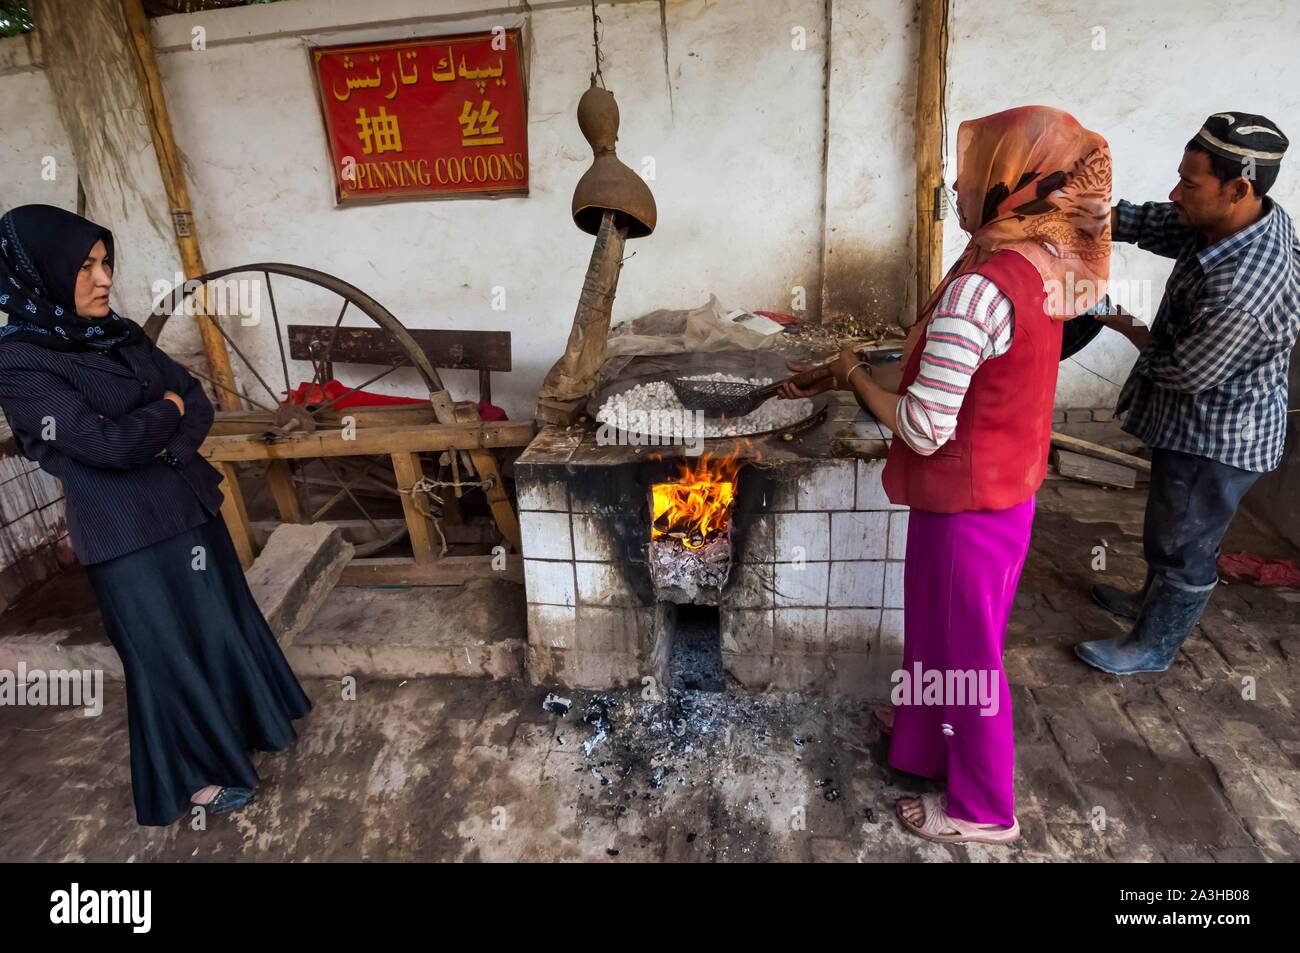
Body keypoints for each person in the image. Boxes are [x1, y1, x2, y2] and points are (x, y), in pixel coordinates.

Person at [782, 106, 1112, 844]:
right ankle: (923, 742)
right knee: (936, 632)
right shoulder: (1042, 267)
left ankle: (984, 808)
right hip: (997, 493)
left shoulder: (977, 289)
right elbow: (959, 374)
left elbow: (925, 425)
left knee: (970, 658)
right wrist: (850, 373)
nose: (955, 189)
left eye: (970, 177)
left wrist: (858, 380)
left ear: (1010, 186)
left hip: (968, 502)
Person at [0, 204, 311, 825]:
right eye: (84, 266)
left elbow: (193, 398)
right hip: (127, 536)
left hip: (187, 507)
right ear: (39, 274)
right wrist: (161, 415)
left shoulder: (117, 331)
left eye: (105, 261)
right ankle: (193, 779)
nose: (104, 278)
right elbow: (103, 446)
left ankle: (244, 729)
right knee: (163, 653)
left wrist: (157, 422)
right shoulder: (18, 362)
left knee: (218, 625)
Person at [1076, 113, 1298, 675]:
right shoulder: (1234, 220)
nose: (1176, 193)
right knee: (1167, 524)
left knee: (1185, 544)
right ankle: (1152, 605)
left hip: (1219, 436)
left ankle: (1154, 646)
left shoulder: (1245, 290)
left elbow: (1183, 371)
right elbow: (1172, 222)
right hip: (1196, 422)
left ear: (1238, 189)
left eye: (1189, 184)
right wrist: (1110, 217)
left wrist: (1126, 326)